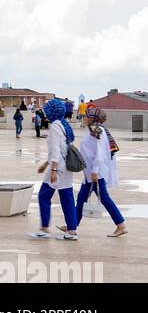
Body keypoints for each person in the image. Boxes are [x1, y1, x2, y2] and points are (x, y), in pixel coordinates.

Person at [30, 97, 79, 240]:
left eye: (47, 110)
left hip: (58, 167)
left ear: (52, 111)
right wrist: (45, 164)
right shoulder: (63, 124)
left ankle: (44, 228)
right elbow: (61, 149)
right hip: (65, 166)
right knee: (67, 198)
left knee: (44, 196)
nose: (45, 113)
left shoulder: (55, 127)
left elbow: (56, 150)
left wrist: (53, 170)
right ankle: (71, 231)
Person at [74, 108, 127, 237]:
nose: (84, 118)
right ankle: (72, 226)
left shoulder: (98, 131)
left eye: (86, 116)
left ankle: (121, 225)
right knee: (81, 199)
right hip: (89, 173)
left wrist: (95, 171)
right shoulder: (91, 130)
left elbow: (100, 153)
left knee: (104, 199)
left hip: (95, 173)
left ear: (93, 118)